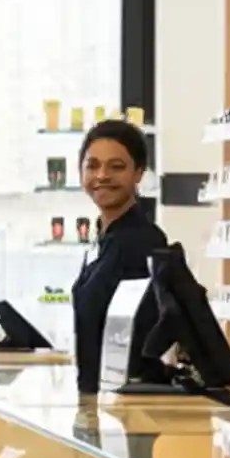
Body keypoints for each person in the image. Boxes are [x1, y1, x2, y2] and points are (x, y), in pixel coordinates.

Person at [71, 120, 168, 394]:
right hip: (97, 396)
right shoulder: (102, 240)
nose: (102, 175)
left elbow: (142, 335)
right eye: (92, 166)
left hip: (125, 404)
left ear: (138, 173)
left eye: (116, 167)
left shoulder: (143, 241)